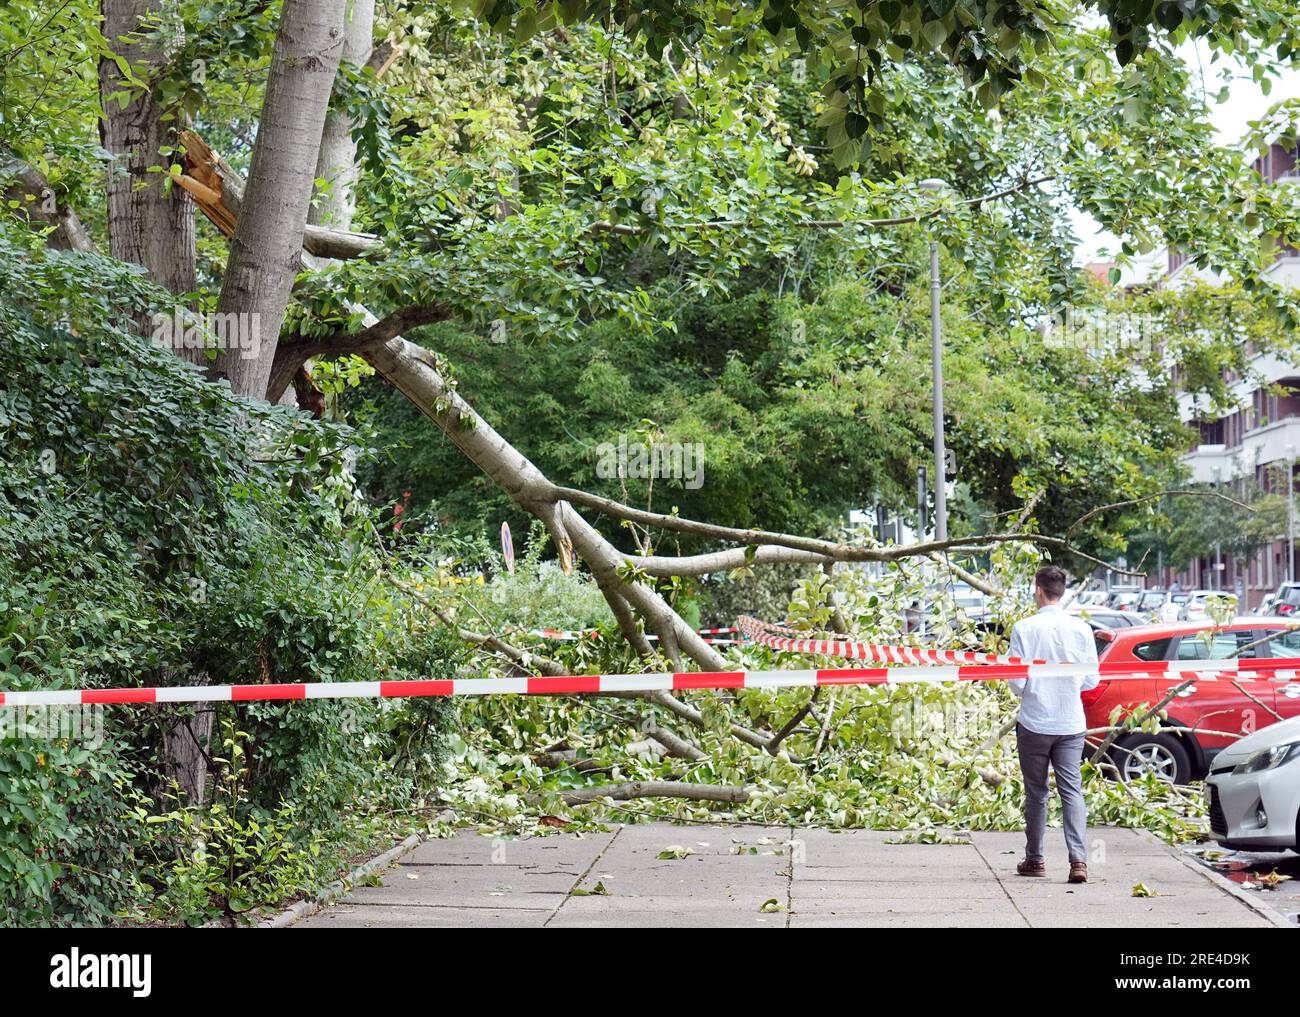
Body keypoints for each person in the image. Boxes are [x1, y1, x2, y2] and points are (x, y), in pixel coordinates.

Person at [1007, 565, 1100, 884]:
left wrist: (1035, 688)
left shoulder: (1024, 628)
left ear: (1038, 590)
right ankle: (1078, 861)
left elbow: (1017, 681)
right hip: (1071, 722)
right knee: (1072, 790)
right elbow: (1091, 680)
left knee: (1036, 793)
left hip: (1035, 722)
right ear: (1063, 592)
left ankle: (1035, 859)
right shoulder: (1082, 630)